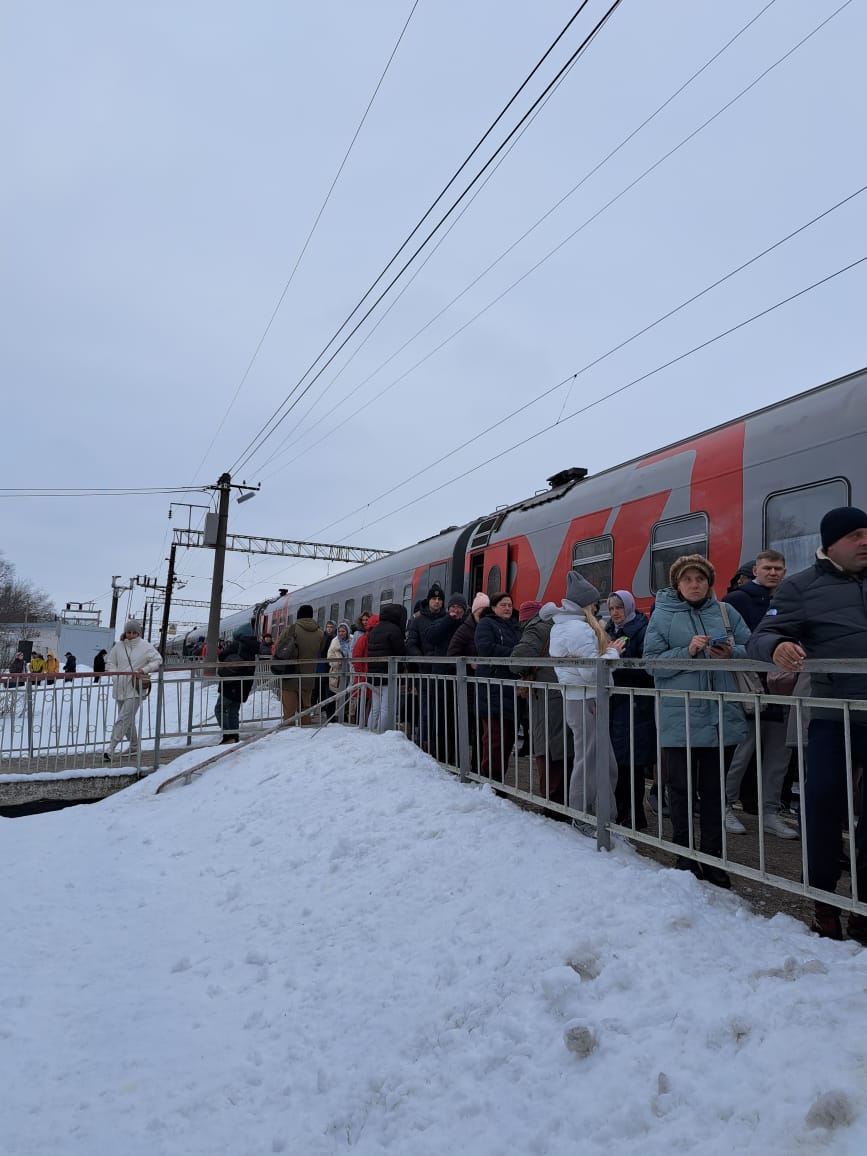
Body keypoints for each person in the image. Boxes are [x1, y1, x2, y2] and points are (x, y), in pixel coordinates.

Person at [748, 506, 867, 942]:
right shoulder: (801, 587)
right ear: (831, 542)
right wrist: (778, 645)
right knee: (823, 809)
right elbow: (759, 636)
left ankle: (864, 909)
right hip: (834, 716)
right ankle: (825, 905)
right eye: (856, 535)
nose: (865, 541)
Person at [643, 555, 750, 888]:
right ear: (677, 584)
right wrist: (686, 653)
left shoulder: (726, 612)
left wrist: (733, 654)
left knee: (715, 792)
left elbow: (753, 647)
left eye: (700, 579)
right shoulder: (661, 616)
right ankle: (685, 855)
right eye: (687, 579)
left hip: (721, 717)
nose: (694, 584)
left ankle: (713, 857)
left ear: (709, 582)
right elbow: (650, 664)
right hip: (681, 716)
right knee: (680, 790)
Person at [721, 550, 795, 839]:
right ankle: (725, 805)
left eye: (779, 568)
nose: (774, 573)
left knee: (779, 756)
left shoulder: (788, 599)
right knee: (742, 752)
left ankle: (770, 813)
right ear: (756, 570)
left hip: (783, 687)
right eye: (768, 568)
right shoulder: (736, 600)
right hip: (748, 687)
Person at [542, 572, 620, 831]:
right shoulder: (577, 628)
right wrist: (613, 652)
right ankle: (584, 817)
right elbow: (591, 671)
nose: (597, 607)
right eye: (594, 603)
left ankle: (602, 819)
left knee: (599, 760)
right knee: (591, 761)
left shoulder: (565, 626)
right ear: (585, 603)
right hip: (586, 699)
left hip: (581, 699)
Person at [511, 602, 571, 806]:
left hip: (548, 695)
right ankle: (563, 800)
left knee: (547, 746)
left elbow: (517, 659)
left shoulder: (535, 628)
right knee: (563, 746)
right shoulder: (555, 624)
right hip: (561, 691)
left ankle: (552, 802)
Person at [606, 590, 656, 830]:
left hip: (635, 704)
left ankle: (634, 815)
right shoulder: (609, 631)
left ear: (629, 607)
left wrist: (614, 667)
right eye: (612, 608)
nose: (615, 613)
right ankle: (622, 810)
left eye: (619, 608)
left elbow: (646, 668)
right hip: (617, 703)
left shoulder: (641, 630)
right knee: (618, 760)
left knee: (632, 761)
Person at [474, 592, 521, 781]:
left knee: (509, 739)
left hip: (512, 688)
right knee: (494, 738)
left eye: (510, 605)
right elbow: (485, 648)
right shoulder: (486, 624)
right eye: (503, 605)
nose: (508, 608)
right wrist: (515, 654)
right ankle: (490, 778)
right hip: (492, 688)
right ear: (493, 607)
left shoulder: (516, 627)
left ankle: (500, 777)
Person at [104, 620, 162, 761]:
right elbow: (110, 662)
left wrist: (144, 669)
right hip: (119, 687)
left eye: (134, 632)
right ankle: (135, 746)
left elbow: (158, 660)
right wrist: (115, 675)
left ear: (138, 633)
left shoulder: (146, 646)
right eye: (128, 632)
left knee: (123, 718)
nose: (131, 635)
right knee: (127, 720)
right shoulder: (118, 646)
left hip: (136, 688)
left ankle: (111, 748)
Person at [406, 583, 447, 754]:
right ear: (428, 600)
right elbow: (411, 644)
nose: (437, 602)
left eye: (440, 599)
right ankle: (423, 742)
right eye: (434, 599)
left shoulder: (447, 619)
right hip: (425, 672)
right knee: (425, 710)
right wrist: (421, 660)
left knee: (442, 711)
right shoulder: (418, 621)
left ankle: (439, 746)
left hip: (444, 673)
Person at [274, 606, 323, 725]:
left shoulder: (291, 629)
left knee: (289, 712)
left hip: (289, 676)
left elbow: (278, 648)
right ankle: (305, 736)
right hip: (308, 678)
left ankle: (288, 736)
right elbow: (320, 650)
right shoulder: (320, 632)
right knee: (305, 710)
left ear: (299, 615)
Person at [215, 623, 260, 742]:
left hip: (231, 682)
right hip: (244, 683)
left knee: (219, 708)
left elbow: (222, 656)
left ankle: (228, 735)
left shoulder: (237, 644)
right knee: (234, 710)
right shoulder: (253, 646)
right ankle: (234, 736)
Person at [366, 604, 407, 733]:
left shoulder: (375, 630)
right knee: (386, 708)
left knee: (375, 708)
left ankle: (370, 732)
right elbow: (400, 653)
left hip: (374, 675)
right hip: (388, 675)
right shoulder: (394, 630)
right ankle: (381, 736)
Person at [327, 622, 352, 722]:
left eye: (343, 631)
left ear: (347, 631)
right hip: (337, 674)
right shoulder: (334, 642)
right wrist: (339, 663)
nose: (341, 633)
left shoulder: (352, 640)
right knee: (337, 695)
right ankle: (337, 717)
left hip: (350, 673)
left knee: (348, 695)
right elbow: (330, 659)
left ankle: (347, 716)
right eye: (339, 631)